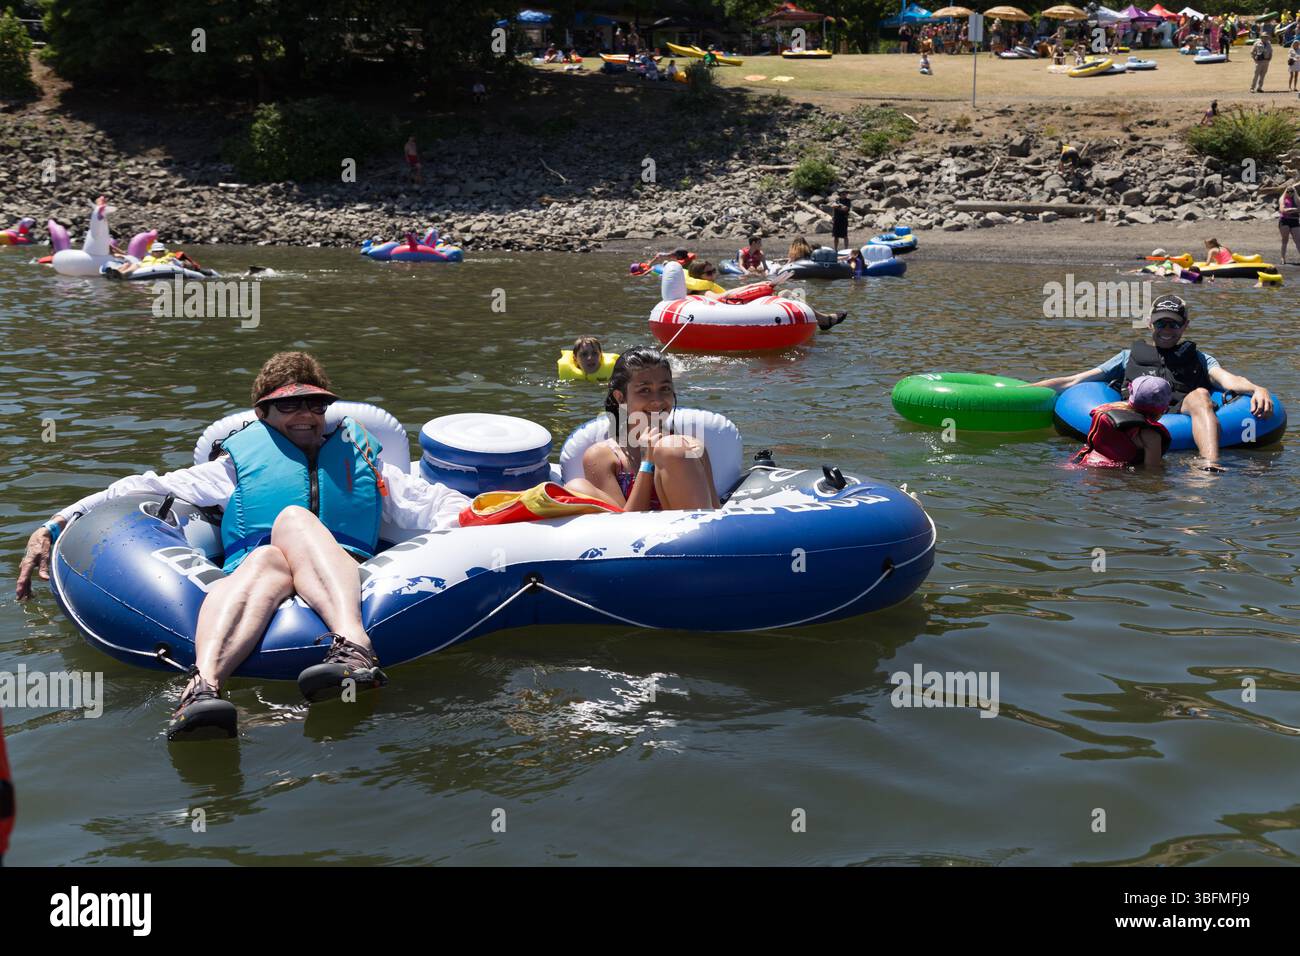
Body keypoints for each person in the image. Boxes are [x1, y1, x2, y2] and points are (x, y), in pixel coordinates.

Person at [15, 352, 470, 740]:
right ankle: (204, 690)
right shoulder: (232, 468)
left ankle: (353, 648)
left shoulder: (365, 464)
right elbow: (140, 488)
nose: (305, 414)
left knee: (292, 521)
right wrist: (54, 524)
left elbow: (442, 507)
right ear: (263, 414)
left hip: (345, 577)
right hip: (258, 581)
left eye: (315, 403)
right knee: (268, 555)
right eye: (288, 405)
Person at [1027, 294, 1273, 464]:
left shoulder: (1200, 358)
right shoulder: (1126, 357)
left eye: (1173, 324)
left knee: (1200, 395)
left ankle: (1209, 465)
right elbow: (1075, 380)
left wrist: (1257, 388)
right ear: (1149, 324)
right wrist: (1030, 389)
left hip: (1181, 410)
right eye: (1160, 323)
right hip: (1135, 416)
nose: (1166, 330)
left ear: (1184, 326)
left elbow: (1229, 380)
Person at [574, 348, 720, 512]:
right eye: (644, 390)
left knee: (670, 450)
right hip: (634, 535)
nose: (657, 401)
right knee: (577, 487)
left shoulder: (690, 448)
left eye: (665, 389)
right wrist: (647, 464)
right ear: (620, 397)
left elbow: (715, 512)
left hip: (691, 535)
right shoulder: (603, 457)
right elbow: (619, 527)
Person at [1071, 375, 1172, 469]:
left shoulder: (1107, 411)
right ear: (1164, 408)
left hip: (1082, 461)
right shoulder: (1151, 435)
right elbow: (1152, 471)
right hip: (1111, 473)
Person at [1279, 182, 1300, 263]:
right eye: (1288, 191)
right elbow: (1282, 210)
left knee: (1298, 240)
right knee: (1285, 240)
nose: (1290, 193)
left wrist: (1289, 210)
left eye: (1291, 191)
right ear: (1286, 191)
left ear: (1294, 192)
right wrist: (1294, 210)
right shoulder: (1282, 199)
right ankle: (1282, 258)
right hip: (1285, 221)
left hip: (1294, 220)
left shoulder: (1297, 199)